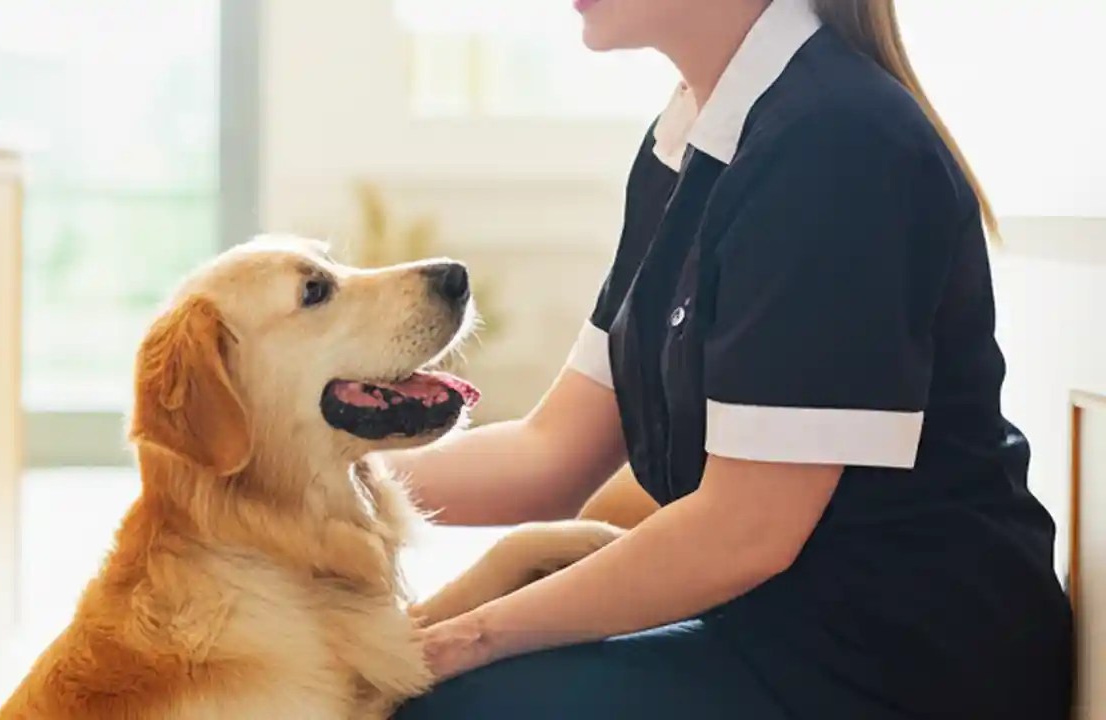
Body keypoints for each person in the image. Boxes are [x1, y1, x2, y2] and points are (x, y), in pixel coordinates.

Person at [387, 0, 1074, 718]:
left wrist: (468, 639)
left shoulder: (837, 144)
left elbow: (745, 533)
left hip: (905, 672)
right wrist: (306, 477)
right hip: (779, 633)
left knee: (446, 706)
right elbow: (549, 454)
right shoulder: (694, 139)